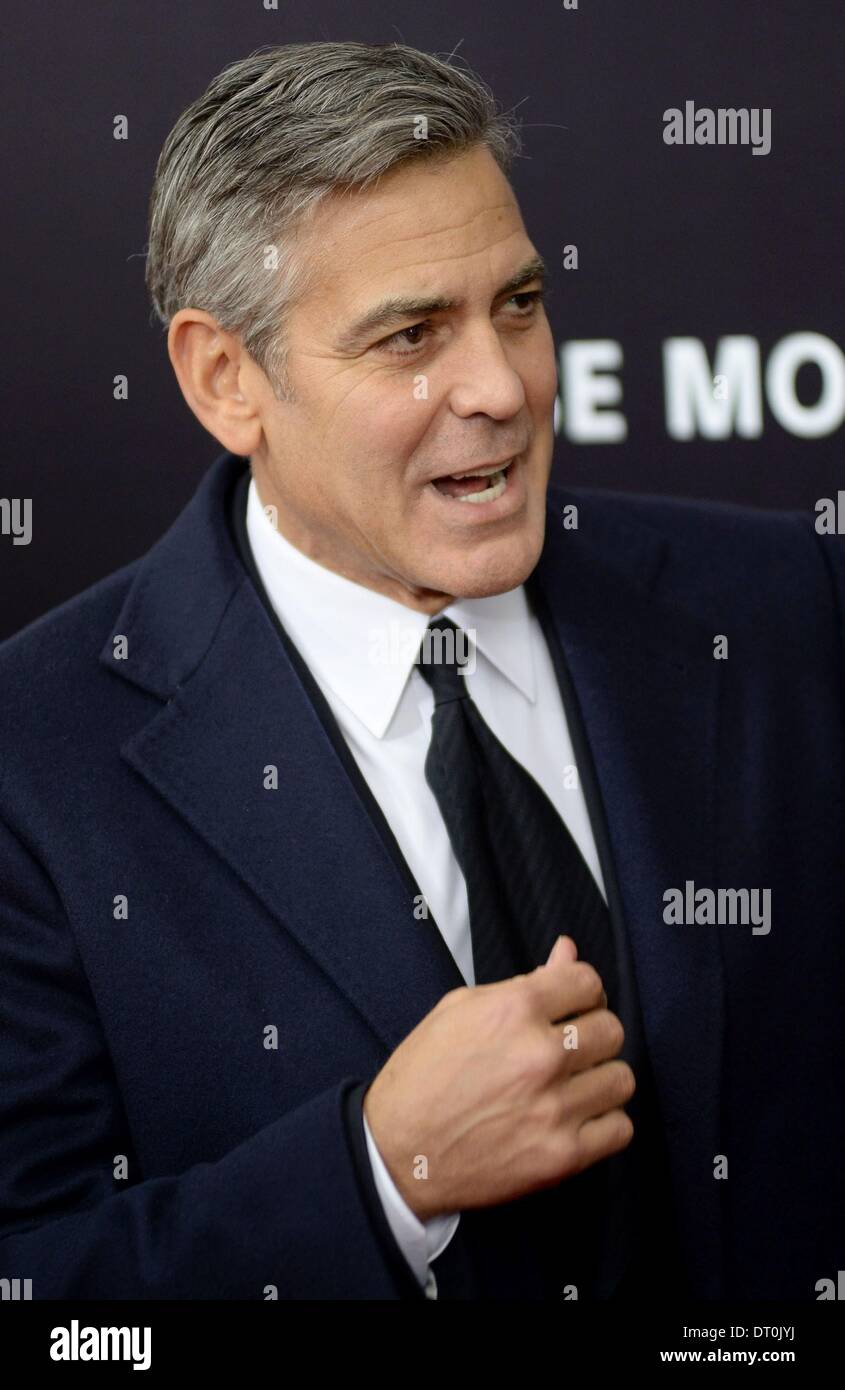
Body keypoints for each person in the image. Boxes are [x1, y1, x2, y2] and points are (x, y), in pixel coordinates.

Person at [0, 41, 842, 1301]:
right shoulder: (33, 760)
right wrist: (381, 1170)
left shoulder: (780, 604)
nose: (502, 387)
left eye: (517, 304)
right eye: (409, 336)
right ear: (226, 377)